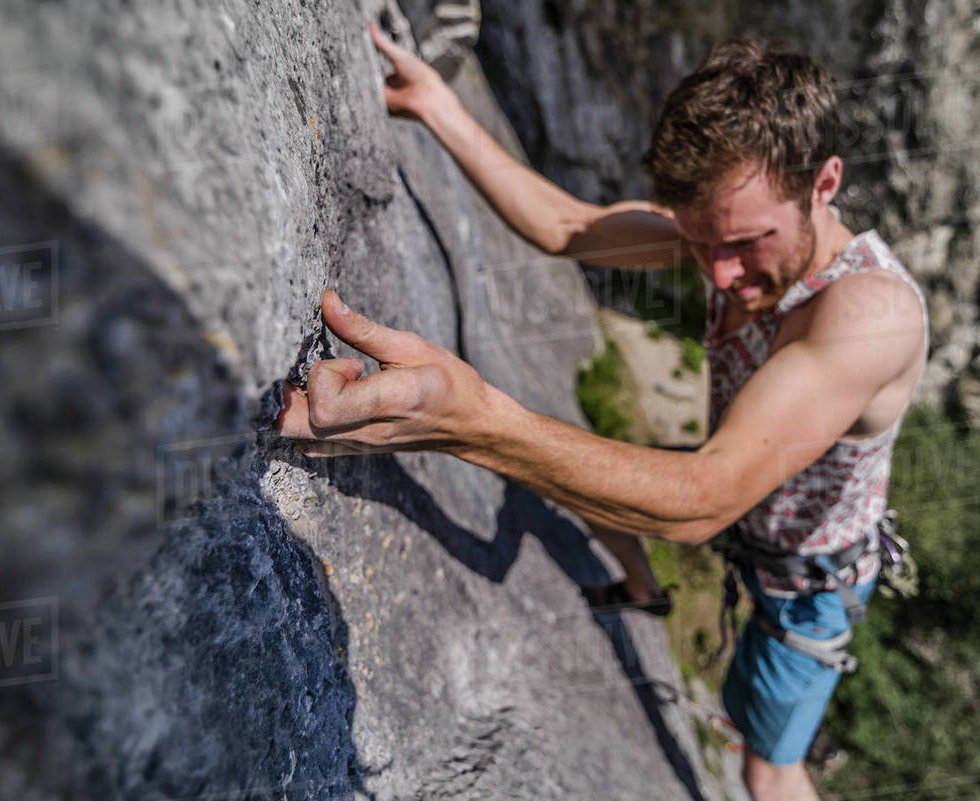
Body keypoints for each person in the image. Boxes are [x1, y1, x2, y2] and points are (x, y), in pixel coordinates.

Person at [278, 20, 928, 801]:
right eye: (696, 243)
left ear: (823, 184)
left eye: (745, 244)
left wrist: (474, 421)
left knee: (767, 765)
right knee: (590, 483)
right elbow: (568, 228)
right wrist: (441, 106)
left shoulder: (867, 317)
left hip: (810, 582)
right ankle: (643, 591)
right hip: (752, 522)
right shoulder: (727, 226)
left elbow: (701, 500)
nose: (719, 276)